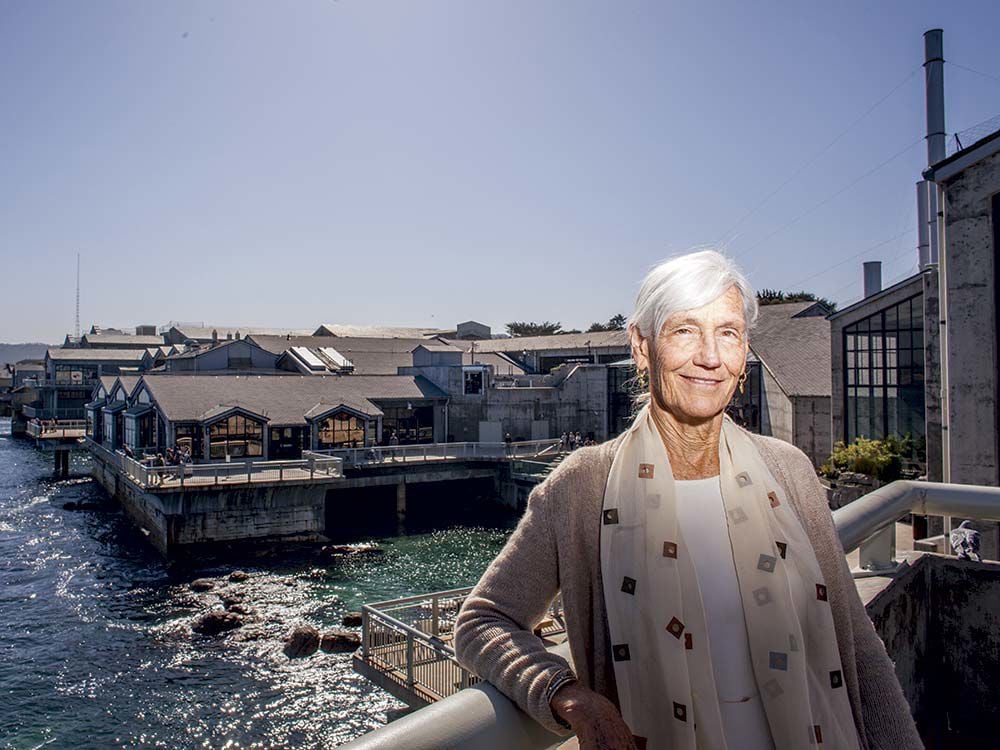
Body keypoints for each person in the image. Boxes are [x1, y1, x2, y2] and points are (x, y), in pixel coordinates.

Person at [454, 250, 922, 750]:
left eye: (728, 332)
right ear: (640, 346)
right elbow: (483, 620)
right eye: (684, 331)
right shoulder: (583, 487)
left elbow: (858, 647)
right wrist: (568, 695)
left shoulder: (789, 472)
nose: (710, 357)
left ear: (745, 352)